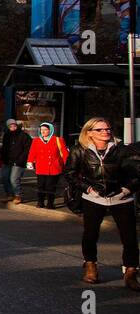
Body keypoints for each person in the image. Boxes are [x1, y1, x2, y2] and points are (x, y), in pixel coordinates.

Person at [63, 119, 140, 290]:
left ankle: (131, 272)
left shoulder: (121, 150)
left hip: (122, 198)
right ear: (89, 132)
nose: (105, 132)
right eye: (100, 129)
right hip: (93, 198)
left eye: (108, 129)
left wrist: (127, 190)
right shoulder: (80, 151)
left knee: (129, 237)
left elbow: (136, 172)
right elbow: (69, 173)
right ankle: (90, 266)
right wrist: (88, 188)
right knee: (90, 234)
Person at [26, 121, 68, 209]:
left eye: (45, 130)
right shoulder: (36, 140)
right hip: (41, 167)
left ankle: (50, 203)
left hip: (53, 168)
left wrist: (68, 165)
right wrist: (29, 161)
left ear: (50, 130)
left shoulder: (58, 140)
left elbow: (64, 154)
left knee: (50, 187)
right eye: (41, 130)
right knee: (40, 186)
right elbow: (32, 152)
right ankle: (40, 202)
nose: (43, 132)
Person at [0, 120, 33, 203]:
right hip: (7, 161)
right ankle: (9, 194)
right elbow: (3, 148)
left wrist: (21, 159)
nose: (12, 127)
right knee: (4, 178)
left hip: (19, 162)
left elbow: (28, 149)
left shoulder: (24, 135)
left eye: (14, 125)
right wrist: (1, 159)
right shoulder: (7, 135)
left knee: (14, 179)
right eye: (10, 126)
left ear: (17, 125)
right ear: (8, 127)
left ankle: (18, 195)